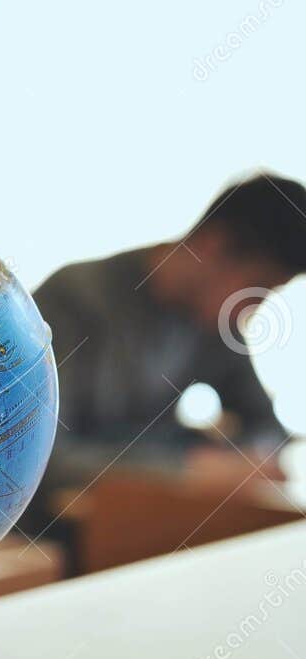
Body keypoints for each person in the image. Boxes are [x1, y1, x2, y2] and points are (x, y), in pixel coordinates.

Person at [32, 174, 306, 510]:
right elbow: (40, 458)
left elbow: (266, 425)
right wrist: (183, 468)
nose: (252, 310)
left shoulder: (215, 321)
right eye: (258, 287)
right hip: (66, 532)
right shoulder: (74, 300)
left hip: (159, 514)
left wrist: (246, 458)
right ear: (212, 245)